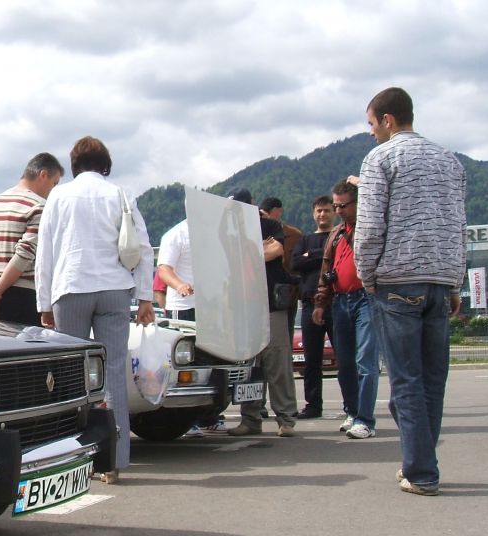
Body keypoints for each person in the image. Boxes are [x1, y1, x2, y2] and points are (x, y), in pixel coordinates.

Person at [354, 87, 467, 495]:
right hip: (440, 280)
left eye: (371, 123)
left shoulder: (380, 158)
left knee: (406, 381)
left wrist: (367, 274)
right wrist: (455, 279)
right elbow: (458, 224)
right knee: (432, 379)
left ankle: (421, 471)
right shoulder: (450, 160)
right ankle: (420, 461)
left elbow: (368, 229)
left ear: (387, 119)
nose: (369, 132)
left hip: (397, 281)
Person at [35, 136, 155, 483]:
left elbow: (46, 251)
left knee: (70, 373)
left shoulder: (59, 195)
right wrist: (145, 296)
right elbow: (143, 247)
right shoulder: (120, 193)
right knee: (114, 371)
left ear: (74, 165)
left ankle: (70, 458)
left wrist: (44, 303)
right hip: (115, 289)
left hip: (71, 287)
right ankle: (113, 461)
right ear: (105, 164)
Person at [226, 188, 298, 437]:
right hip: (243, 305)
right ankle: (250, 419)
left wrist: (245, 251)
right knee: (249, 365)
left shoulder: (269, 225)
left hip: (271, 303)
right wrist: (258, 250)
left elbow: (275, 250)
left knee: (277, 360)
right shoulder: (228, 231)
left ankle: (286, 419)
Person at [312, 180, 381, 440]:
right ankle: (352, 412)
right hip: (340, 300)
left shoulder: (370, 228)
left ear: (357, 203)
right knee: (346, 362)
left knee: (365, 360)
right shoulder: (336, 233)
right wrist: (320, 303)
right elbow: (325, 272)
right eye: (336, 205)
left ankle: (365, 420)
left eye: (343, 205)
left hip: (367, 298)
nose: (338, 210)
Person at [0, 152, 64, 325]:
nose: (53, 190)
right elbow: (25, 254)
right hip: (24, 298)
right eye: (54, 183)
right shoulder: (39, 207)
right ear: (43, 175)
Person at [156, 217, 227, 437]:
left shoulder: (212, 233)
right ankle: (186, 418)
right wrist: (179, 285)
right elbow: (163, 269)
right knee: (186, 363)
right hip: (183, 306)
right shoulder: (175, 234)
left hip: (210, 306)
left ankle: (209, 416)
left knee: (211, 361)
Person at [291, 195, 340, 418]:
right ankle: (313, 405)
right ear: (314, 213)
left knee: (345, 357)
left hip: (337, 303)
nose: (323, 214)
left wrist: (313, 256)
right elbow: (296, 263)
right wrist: (320, 255)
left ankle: (352, 405)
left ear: (334, 212)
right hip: (310, 304)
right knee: (311, 360)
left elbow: (339, 258)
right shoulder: (305, 239)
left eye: (327, 210)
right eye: (319, 211)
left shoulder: (340, 235)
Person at [260, 197, 303, 341]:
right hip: (262, 295)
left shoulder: (295, 235)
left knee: (286, 339)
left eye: (267, 212)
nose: (264, 216)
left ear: (279, 212)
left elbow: (298, 265)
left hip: (287, 294)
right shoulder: (256, 231)